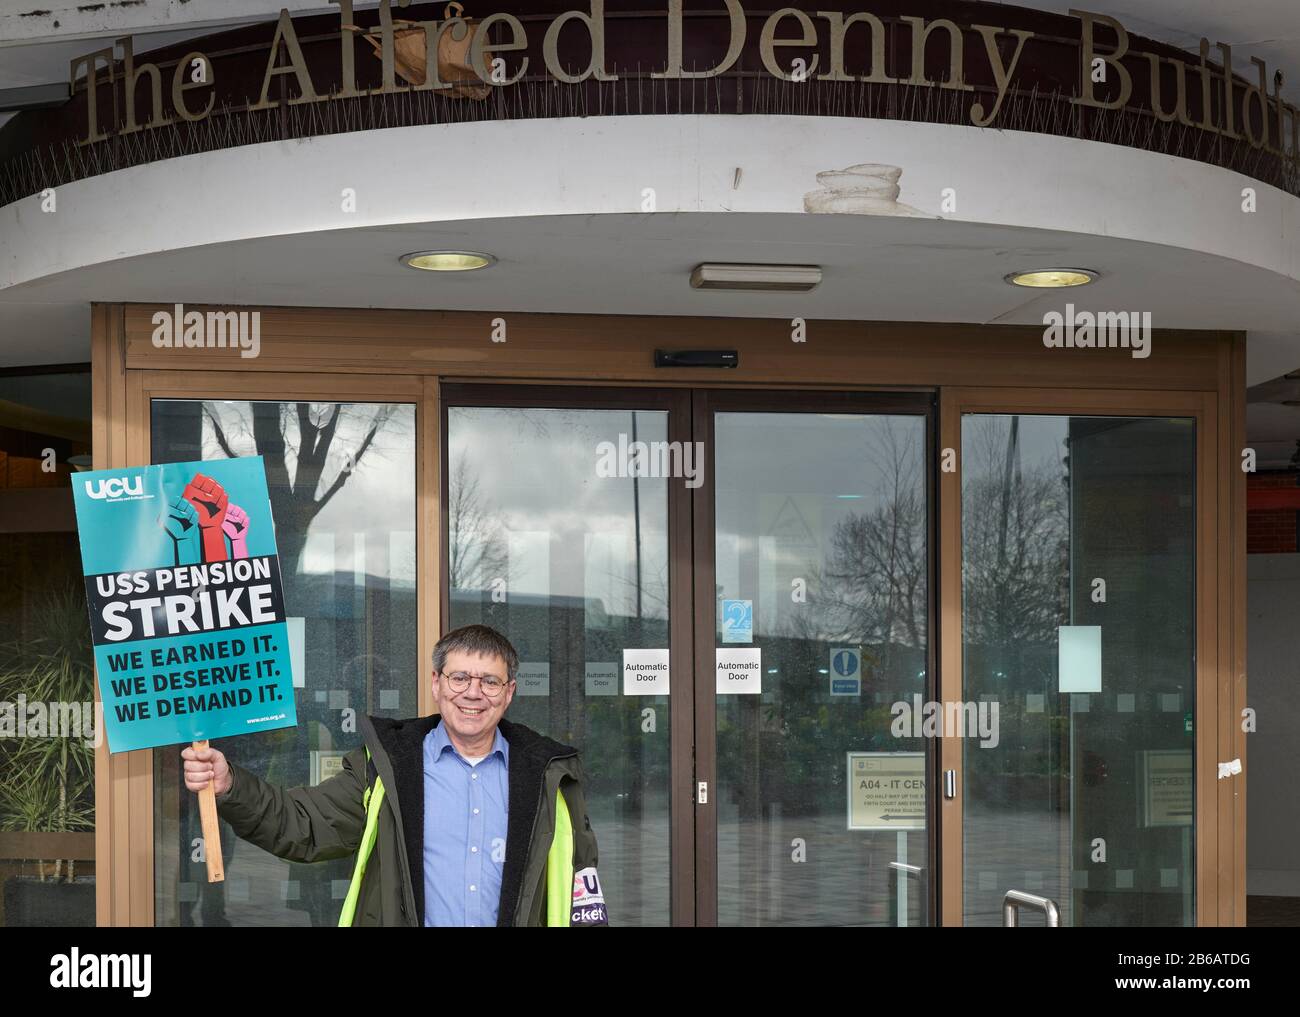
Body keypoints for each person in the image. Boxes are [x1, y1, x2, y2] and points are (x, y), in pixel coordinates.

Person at [182, 624, 607, 927]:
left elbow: (582, 897)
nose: (473, 693)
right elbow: (304, 826)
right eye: (459, 677)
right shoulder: (388, 766)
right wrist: (230, 785)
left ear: (509, 692)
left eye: (490, 681)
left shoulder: (551, 777)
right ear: (437, 683)